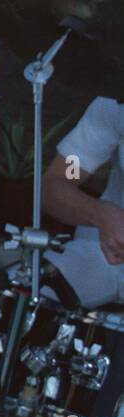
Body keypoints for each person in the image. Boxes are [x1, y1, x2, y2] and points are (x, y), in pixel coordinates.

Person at [42, 97, 124, 308]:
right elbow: (55, 186)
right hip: (105, 257)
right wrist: (101, 214)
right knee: (28, 287)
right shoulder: (114, 109)